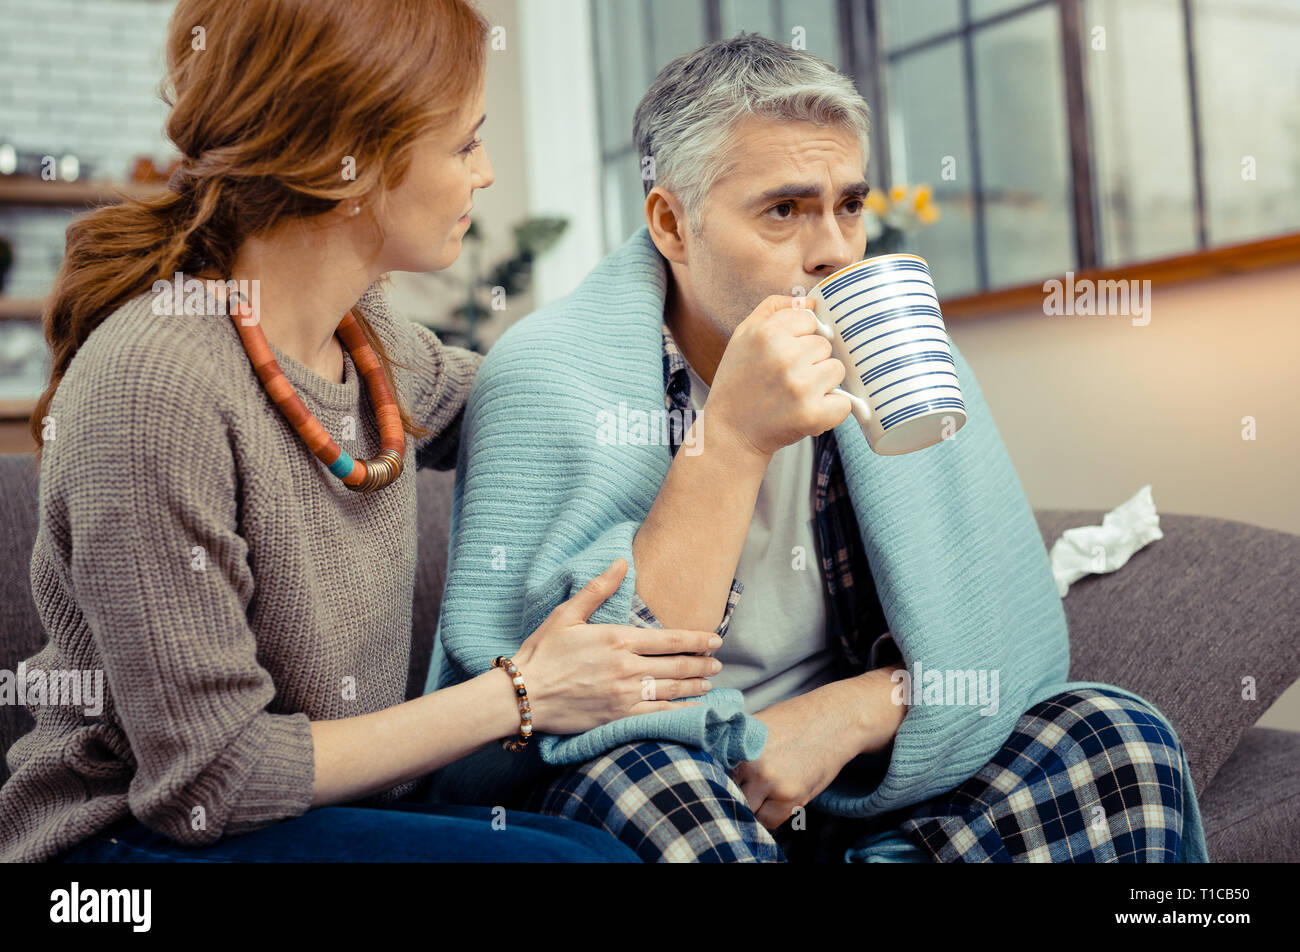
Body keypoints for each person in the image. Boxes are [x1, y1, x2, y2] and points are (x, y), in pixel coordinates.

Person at [430, 33, 1209, 863]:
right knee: (649, 777)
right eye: (784, 210)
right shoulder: (547, 374)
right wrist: (730, 440)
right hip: (678, 780)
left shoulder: (902, 355)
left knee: (1118, 738)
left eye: (848, 206)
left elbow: (1016, 640)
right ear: (671, 223)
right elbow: (542, 723)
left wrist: (868, 705)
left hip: (859, 782)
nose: (834, 249)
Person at [0, 0, 723, 864]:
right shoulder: (155, 383)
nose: (486, 173)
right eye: (463, 145)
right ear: (347, 165)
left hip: (312, 813)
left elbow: (525, 398)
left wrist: (711, 333)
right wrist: (526, 691)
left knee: (610, 846)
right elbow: (211, 780)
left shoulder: (362, 333)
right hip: (125, 847)